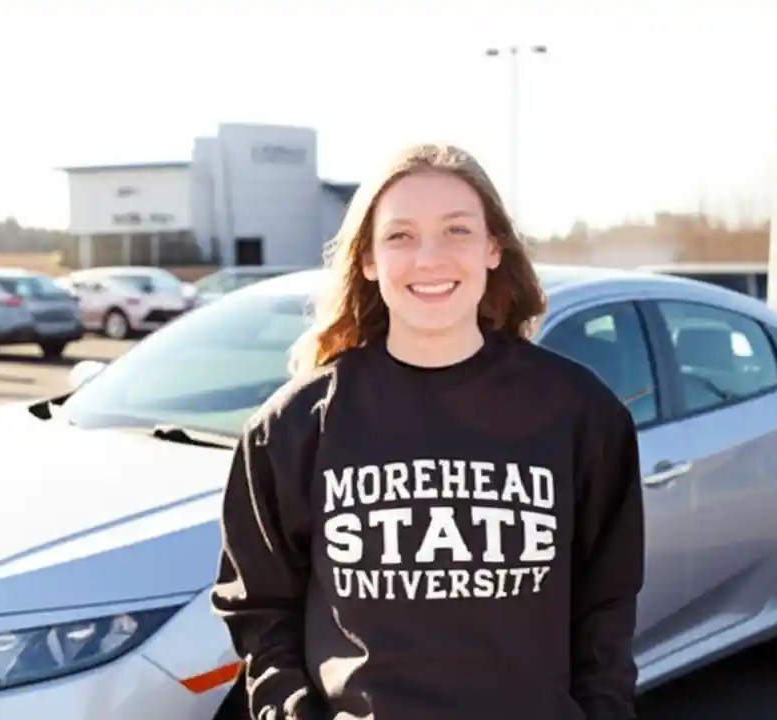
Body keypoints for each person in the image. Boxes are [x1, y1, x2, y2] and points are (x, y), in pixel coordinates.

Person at [211, 143, 645, 719]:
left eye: (457, 230)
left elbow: (606, 609)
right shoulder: (293, 428)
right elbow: (261, 611)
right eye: (401, 236)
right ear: (368, 259)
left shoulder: (581, 414)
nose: (430, 258)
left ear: (494, 248)